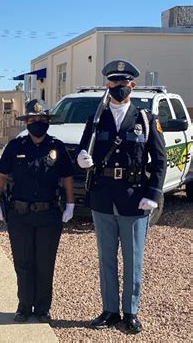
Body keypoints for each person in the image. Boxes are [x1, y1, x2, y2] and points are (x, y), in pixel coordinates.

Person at [77, 60, 167, 334]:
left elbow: (160, 160)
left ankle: (131, 311)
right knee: (106, 258)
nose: (118, 87)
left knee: (133, 258)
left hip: (134, 198)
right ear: (108, 85)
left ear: (132, 85)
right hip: (104, 198)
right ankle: (109, 309)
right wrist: (82, 160)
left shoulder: (145, 119)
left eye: (123, 83)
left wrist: (152, 193)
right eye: (113, 83)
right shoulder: (96, 118)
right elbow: (84, 150)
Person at [0, 100, 75, 323]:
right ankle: (24, 306)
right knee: (23, 262)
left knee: (45, 263)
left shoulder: (57, 146)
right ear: (26, 122)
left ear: (47, 121)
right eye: (33, 120)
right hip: (20, 214)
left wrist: (70, 203)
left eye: (41, 120)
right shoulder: (15, 146)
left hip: (49, 214)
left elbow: (67, 176)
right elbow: (1, 175)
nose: (37, 123)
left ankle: (43, 308)